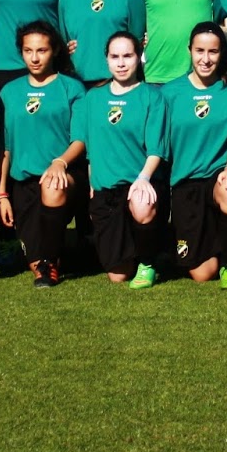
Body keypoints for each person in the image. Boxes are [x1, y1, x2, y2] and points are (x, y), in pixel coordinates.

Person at [71, 32, 168, 288]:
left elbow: (157, 148)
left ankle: (148, 261)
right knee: (118, 275)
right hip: (106, 190)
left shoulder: (152, 96)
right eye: (115, 56)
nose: (121, 63)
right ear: (107, 60)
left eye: (128, 56)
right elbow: (91, 147)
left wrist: (144, 179)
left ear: (139, 58)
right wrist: (93, 182)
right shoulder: (93, 98)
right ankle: (133, 253)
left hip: (139, 183)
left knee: (141, 204)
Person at [161, 23, 227, 289]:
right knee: (202, 273)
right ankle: (211, 247)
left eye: (213, 51)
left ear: (222, 52)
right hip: (185, 184)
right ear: (189, 50)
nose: (206, 58)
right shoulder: (170, 93)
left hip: (217, 177)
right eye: (199, 50)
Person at [0, 22, 87, 287]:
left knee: (51, 186)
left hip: (65, 177)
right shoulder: (9, 92)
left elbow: (80, 139)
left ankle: (51, 263)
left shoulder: (72, 88)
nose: (34, 58)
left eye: (42, 50)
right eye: (28, 51)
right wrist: (2, 194)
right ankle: (49, 257)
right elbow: (5, 148)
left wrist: (60, 163)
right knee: (34, 262)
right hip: (24, 184)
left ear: (55, 50)